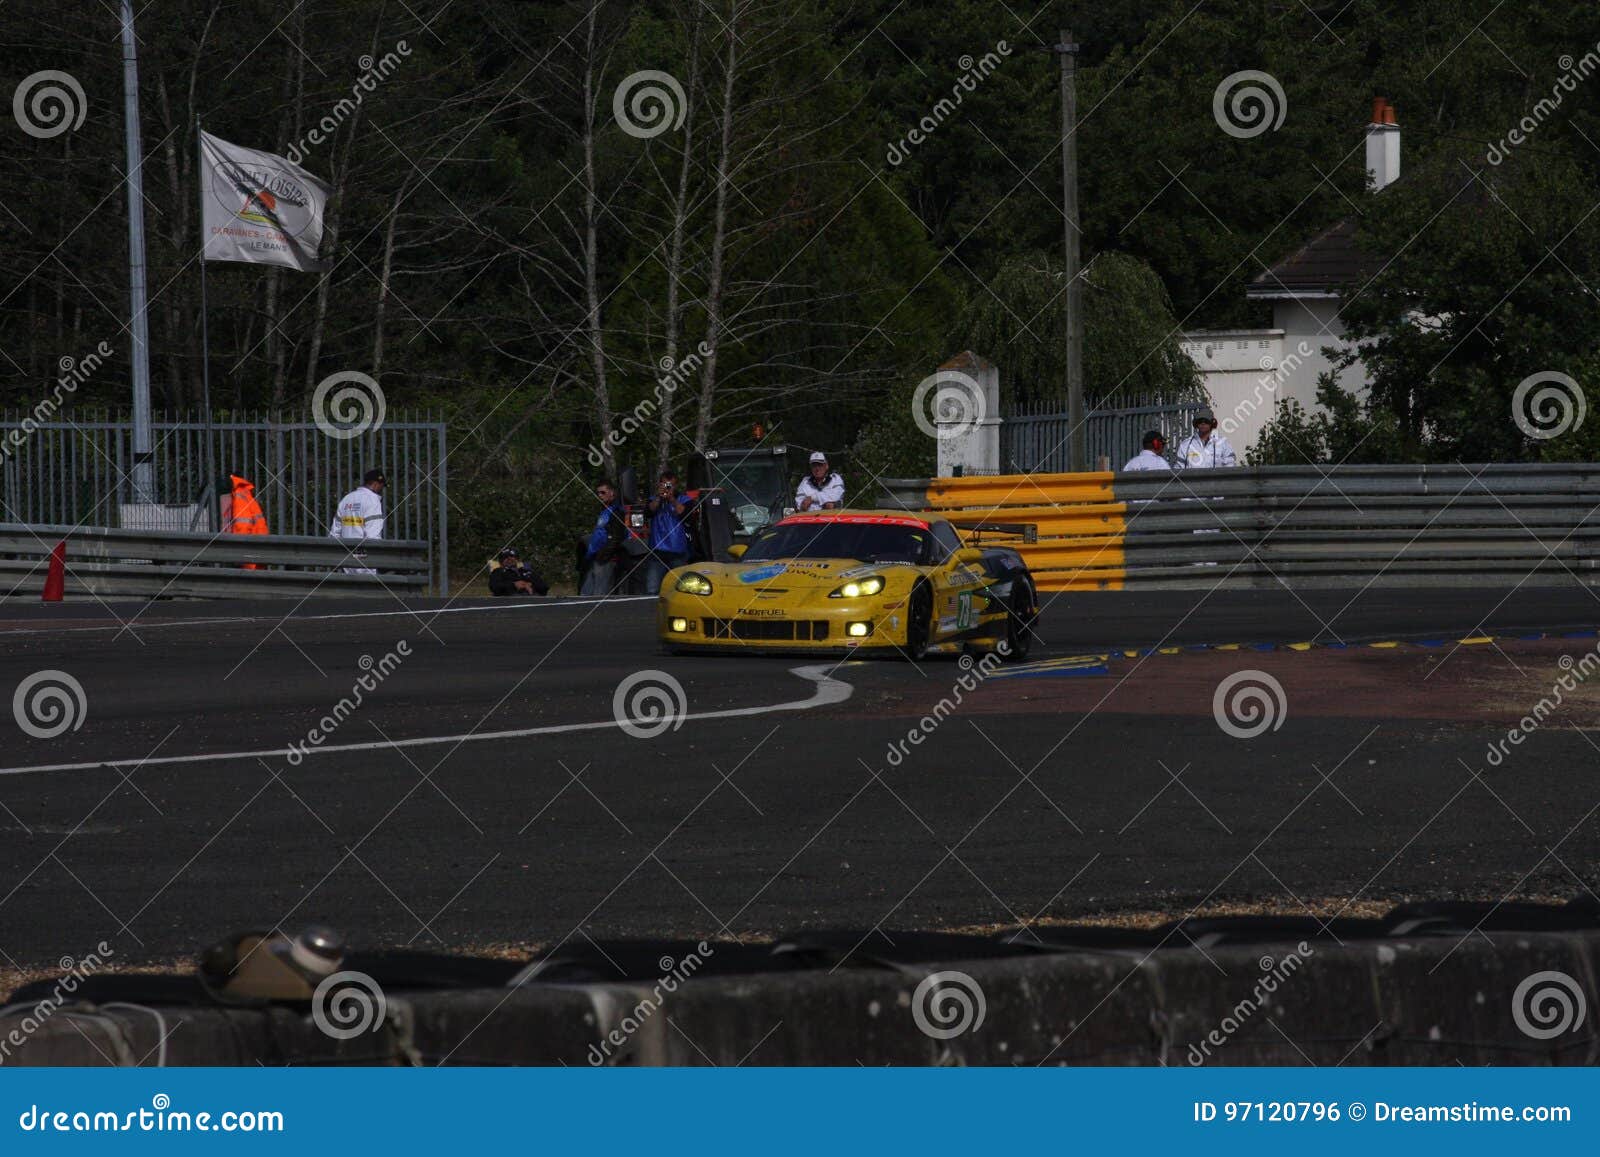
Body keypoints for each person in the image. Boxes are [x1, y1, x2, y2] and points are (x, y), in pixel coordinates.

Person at [329, 468, 385, 575]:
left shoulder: (347, 499)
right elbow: (373, 536)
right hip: (364, 558)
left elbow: (335, 533)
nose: (381, 489)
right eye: (382, 486)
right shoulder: (373, 500)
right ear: (376, 484)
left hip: (346, 557)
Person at [645, 470, 692, 593]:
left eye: (670, 485)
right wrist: (659, 497)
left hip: (678, 550)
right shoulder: (653, 499)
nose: (667, 487)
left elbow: (685, 514)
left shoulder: (684, 499)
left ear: (675, 486)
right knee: (652, 588)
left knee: (682, 588)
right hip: (657, 550)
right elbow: (648, 512)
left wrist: (671, 499)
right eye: (664, 484)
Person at [580, 479, 627, 596]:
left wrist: (604, 556)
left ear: (612, 493)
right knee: (586, 592)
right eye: (598, 493)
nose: (600, 495)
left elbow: (616, 537)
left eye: (603, 492)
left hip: (605, 559)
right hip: (595, 557)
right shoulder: (604, 511)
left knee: (599, 593)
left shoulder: (616, 512)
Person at [219, 472, 269, 569]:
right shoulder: (246, 494)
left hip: (250, 552)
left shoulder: (239, 497)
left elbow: (242, 525)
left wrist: (239, 549)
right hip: (259, 547)